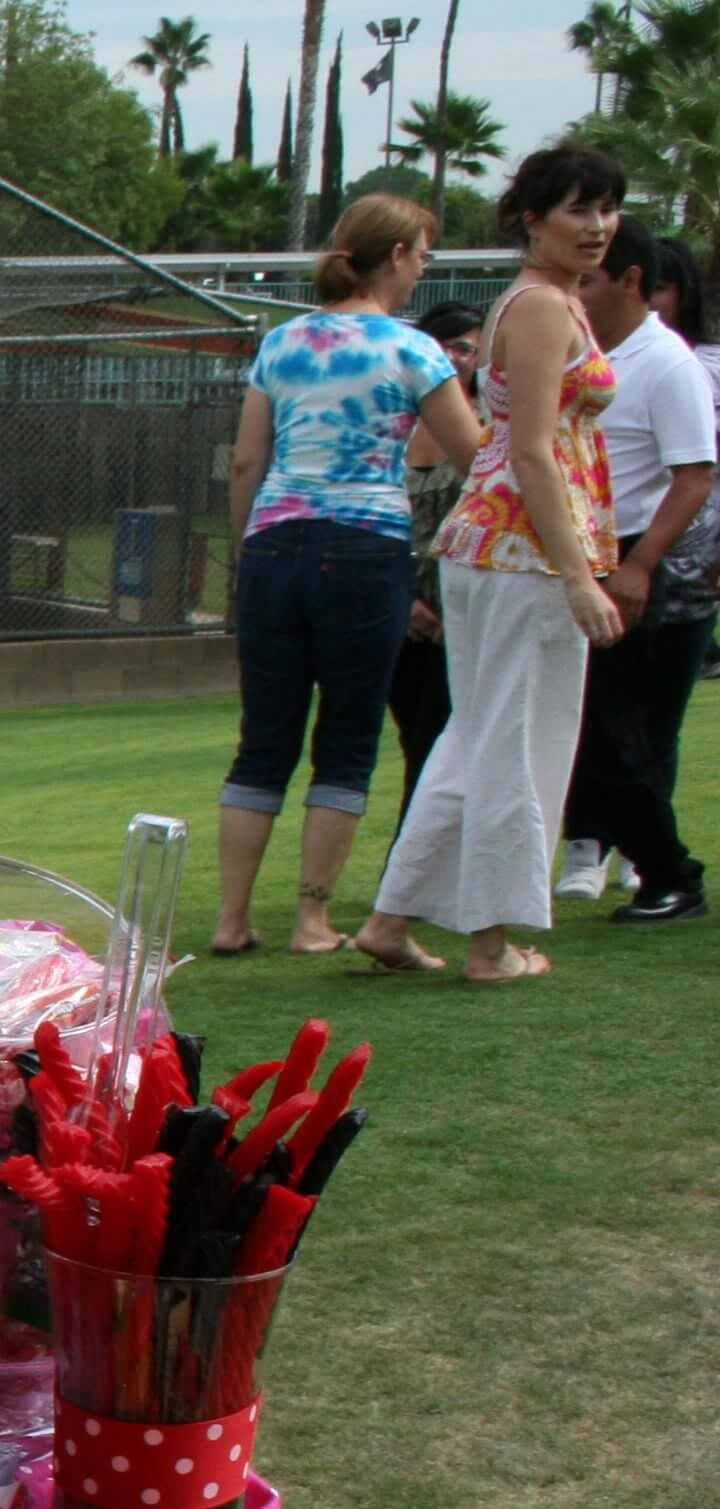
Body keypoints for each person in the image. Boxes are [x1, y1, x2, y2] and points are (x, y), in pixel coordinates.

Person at [355, 149, 631, 985]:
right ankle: (490, 945)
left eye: (607, 209)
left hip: (498, 547)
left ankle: (390, 920)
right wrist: (578, 575)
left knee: (477, 735)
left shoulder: (547, 300)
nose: (597, 226)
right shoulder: (542, 306)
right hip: (524, 552)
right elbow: (534, 451)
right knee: (519, 738)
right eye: (578, 209)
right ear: (532, 219)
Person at [212, 195, 482, 957]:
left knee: (264, 738)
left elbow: (247, 460)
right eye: (422, 254)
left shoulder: (282, 343)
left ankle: (232, 920)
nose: (423, 269)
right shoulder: (414, 349)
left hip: (274, 546)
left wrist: (248, 549)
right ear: (395, 256)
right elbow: (473, 454)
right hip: (367, 548)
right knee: (348, 737)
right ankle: (312, 921)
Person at [558, 221, 718, 920]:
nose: (576, 290)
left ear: (631, 282)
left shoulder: (668, 363)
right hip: (579, 552)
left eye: (588, 279)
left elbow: (695, 476)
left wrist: (641, 564)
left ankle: (668, 874)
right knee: (595, 732)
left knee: (617, 735)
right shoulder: (585, 351)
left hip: (623, 555)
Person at [386, 303, 488, 818]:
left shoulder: (489, 426)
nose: (456, 357)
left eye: (469, 348)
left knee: (438, 734)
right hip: (397, 600)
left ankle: (413, 851)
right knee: (412, 732)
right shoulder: (392, 424)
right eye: (446, 345)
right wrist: (404, 599)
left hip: (462, 607)